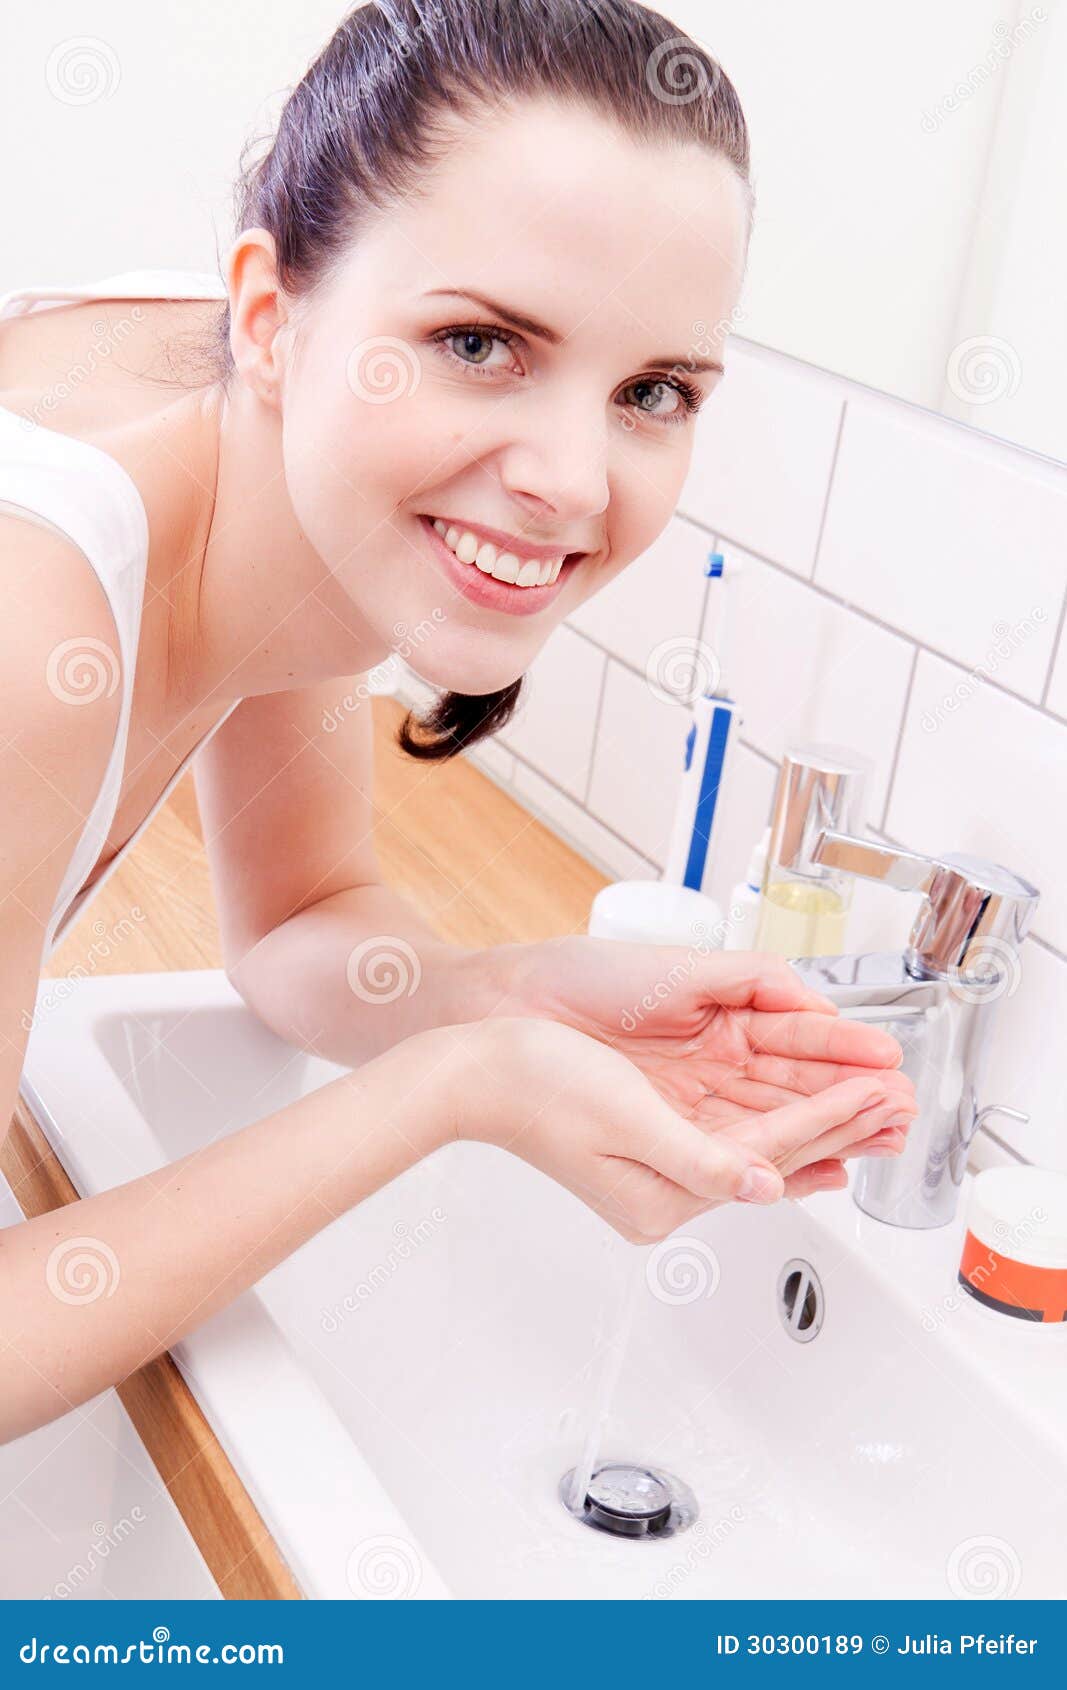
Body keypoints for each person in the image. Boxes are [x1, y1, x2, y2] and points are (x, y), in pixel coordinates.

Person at [0, 0, 915, 1443]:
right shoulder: (31, 622)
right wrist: (455, 1084)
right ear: (269, 316)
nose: (571, 480)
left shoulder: (278, 453)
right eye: (481, 343)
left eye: (653, 390)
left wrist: (513, 997)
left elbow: (297, 918)